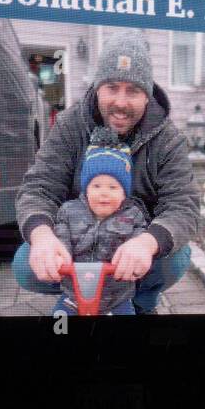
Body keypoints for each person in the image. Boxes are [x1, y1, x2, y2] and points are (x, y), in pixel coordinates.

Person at [13, 29, 199, 314]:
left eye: (133, 90)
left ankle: (142, 303)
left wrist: (148, 243)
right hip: (78, 240)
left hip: (136, 244)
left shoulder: (169, 139)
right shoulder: (69, 126)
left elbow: (183, 206)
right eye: (112, 87)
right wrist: (43, 237)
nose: (121, 102)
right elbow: (39, 186)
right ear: (97, 88)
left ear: (147, 95)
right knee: (26, 265)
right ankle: (75, 294)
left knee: (175, 259)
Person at [51, 127, 150, 316]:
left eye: (113, 187)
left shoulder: (133, 216)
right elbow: (61, 241)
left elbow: (139, 242)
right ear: (85, 188)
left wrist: (137, 257)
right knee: (59, 325)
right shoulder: (68, 211)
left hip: (117, 297)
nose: (104, 192)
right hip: (73, 295)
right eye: (96, 186)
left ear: (124, 193)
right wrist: (59, 258)